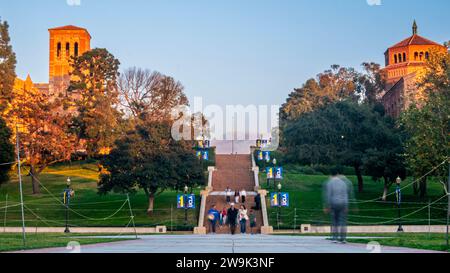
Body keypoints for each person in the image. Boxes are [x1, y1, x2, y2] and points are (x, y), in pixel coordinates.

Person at [323, 170, 354, 244]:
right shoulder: (343, 183)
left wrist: (327, 205)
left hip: (334, 203)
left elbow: (328, 195)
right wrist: (346, 205)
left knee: (334, 221)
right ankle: (343, 238)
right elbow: (345, 195)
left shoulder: (330, 182)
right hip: (343, 203)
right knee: (343, 222)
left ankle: (335, 238)